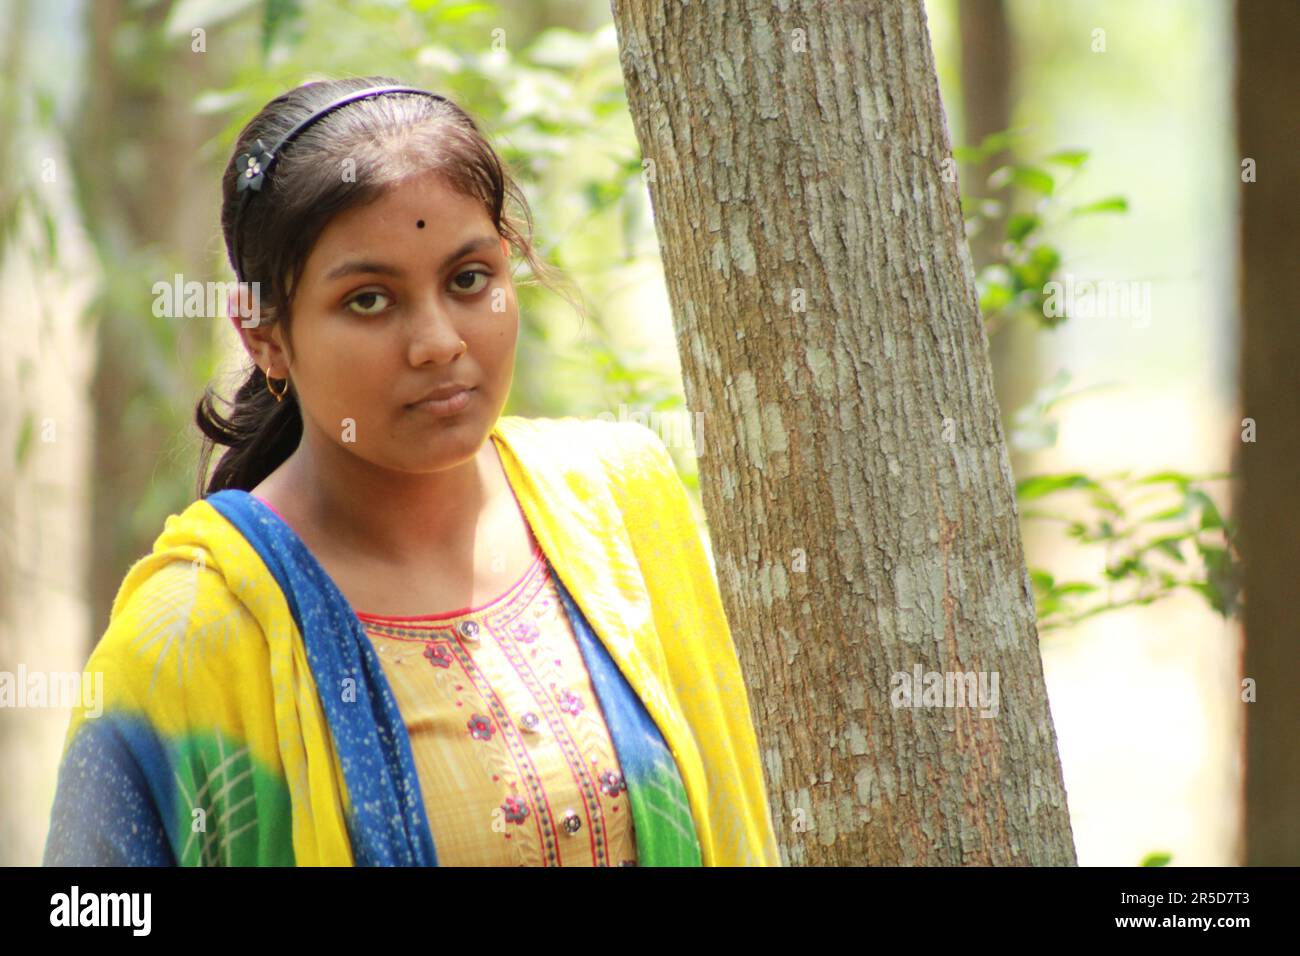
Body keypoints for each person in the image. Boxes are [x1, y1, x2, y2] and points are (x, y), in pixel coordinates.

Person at [42, 76, 779, 867]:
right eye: (369, 300)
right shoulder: (192, 637)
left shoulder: (619, 505)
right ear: (265, 337)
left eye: (469, 281)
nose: (437, 342)